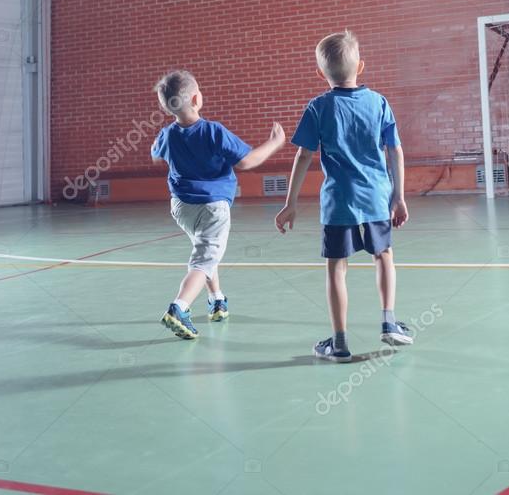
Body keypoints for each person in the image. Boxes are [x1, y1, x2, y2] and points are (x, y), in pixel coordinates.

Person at [275, 30, 413, 361]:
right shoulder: (378, 102)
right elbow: (395, 150)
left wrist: (290, 203)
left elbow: (304, 156)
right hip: (377, 198)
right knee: (385, 256)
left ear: (321, 73)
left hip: (338, 203)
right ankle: (389, 322)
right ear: (360, 66)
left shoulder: (318, 107)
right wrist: (399, 196)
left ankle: (339, 343)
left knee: (337, 267)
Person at [152, 68, 284, 338]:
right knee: (202, 261)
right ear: (197, 99)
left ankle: (217, 301)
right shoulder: (213, 132)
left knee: (205, 251)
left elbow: (156, 156)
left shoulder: (167, 135)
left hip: (181, 207)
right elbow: (246, 161)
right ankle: (179, 307)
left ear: (166, 107)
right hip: (212, 207)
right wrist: (274, 143)